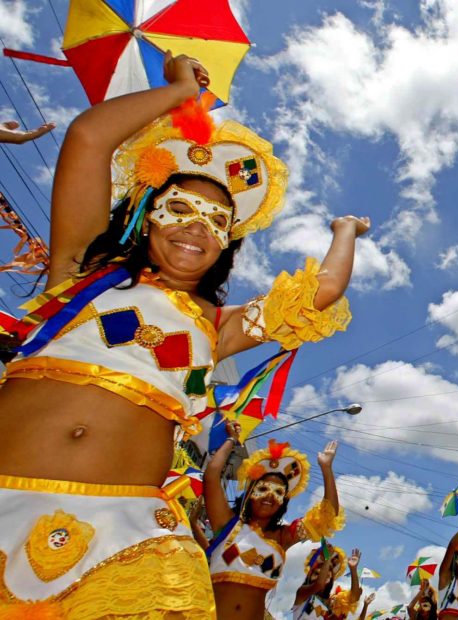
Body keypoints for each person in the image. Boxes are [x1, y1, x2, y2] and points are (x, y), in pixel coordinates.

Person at [0, 53, 365, 617]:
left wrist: (345, 230)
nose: (198, 225)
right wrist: (177, 91)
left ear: (226, 244)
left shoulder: (215, 327)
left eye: (218, 220)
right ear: (148, 214)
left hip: (122, 544)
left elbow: (322, 292)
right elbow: (89, 138)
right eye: (181, 208)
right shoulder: (81, 275)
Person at [205, 420, 345, 619]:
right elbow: (212, 474)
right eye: (262, 489)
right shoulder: (227, 523)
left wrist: (326, 469)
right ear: (250, 493)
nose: (269, 496)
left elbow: (327, 515)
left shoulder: (282, 537)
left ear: (283, 503)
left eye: (278, 492)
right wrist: (232, 440)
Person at [293, 546, 363, 620]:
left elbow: (354, 597)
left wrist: (353, 569)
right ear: (310, 575)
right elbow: (319, 584)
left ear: (331, 581)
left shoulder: (329, 603)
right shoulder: (301, 592)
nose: (321, 577)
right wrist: (328, 558)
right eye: (316, 574)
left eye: (327, 576)